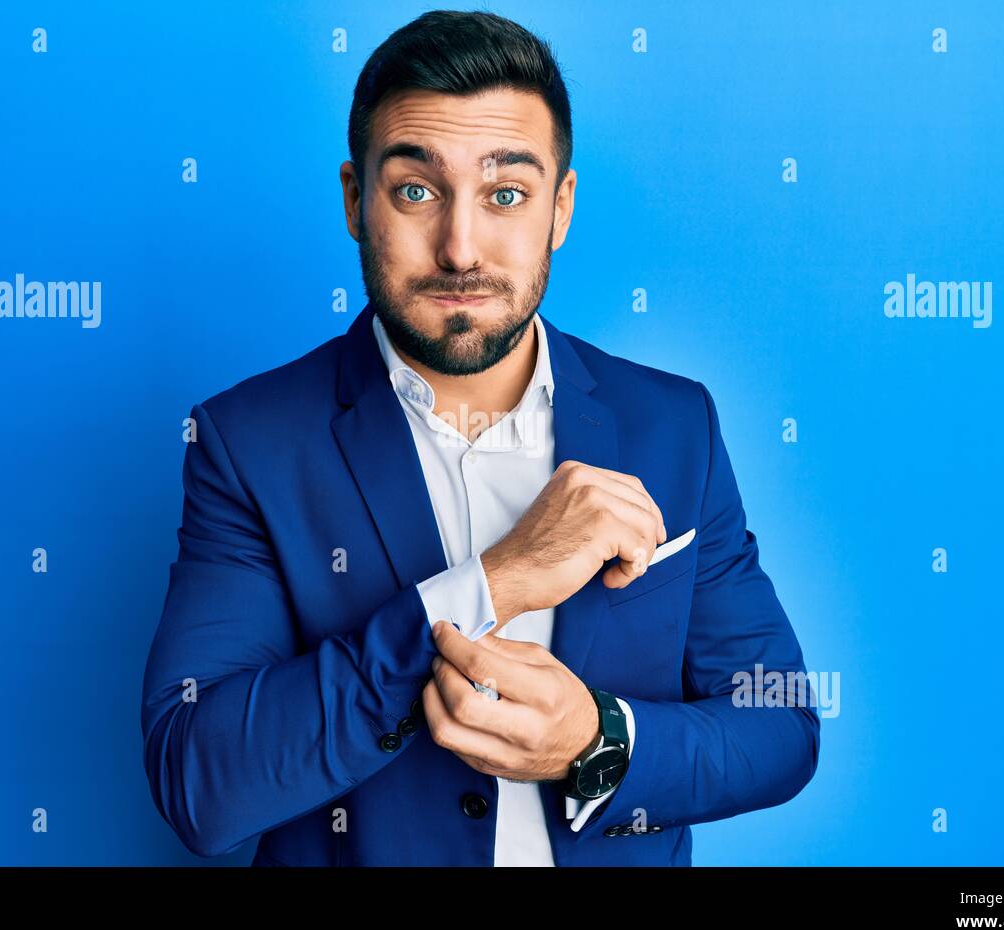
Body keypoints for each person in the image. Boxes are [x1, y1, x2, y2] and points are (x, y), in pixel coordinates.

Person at [141, 9, 819, 866]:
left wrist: (597, 739)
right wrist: (492, 582)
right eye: (416, 190)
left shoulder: (673, 425)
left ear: (559, 208)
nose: (460, 248)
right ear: (356, 201)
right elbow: (199, 782)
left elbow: (781, 726)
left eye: (506, 194)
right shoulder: (248, 442)